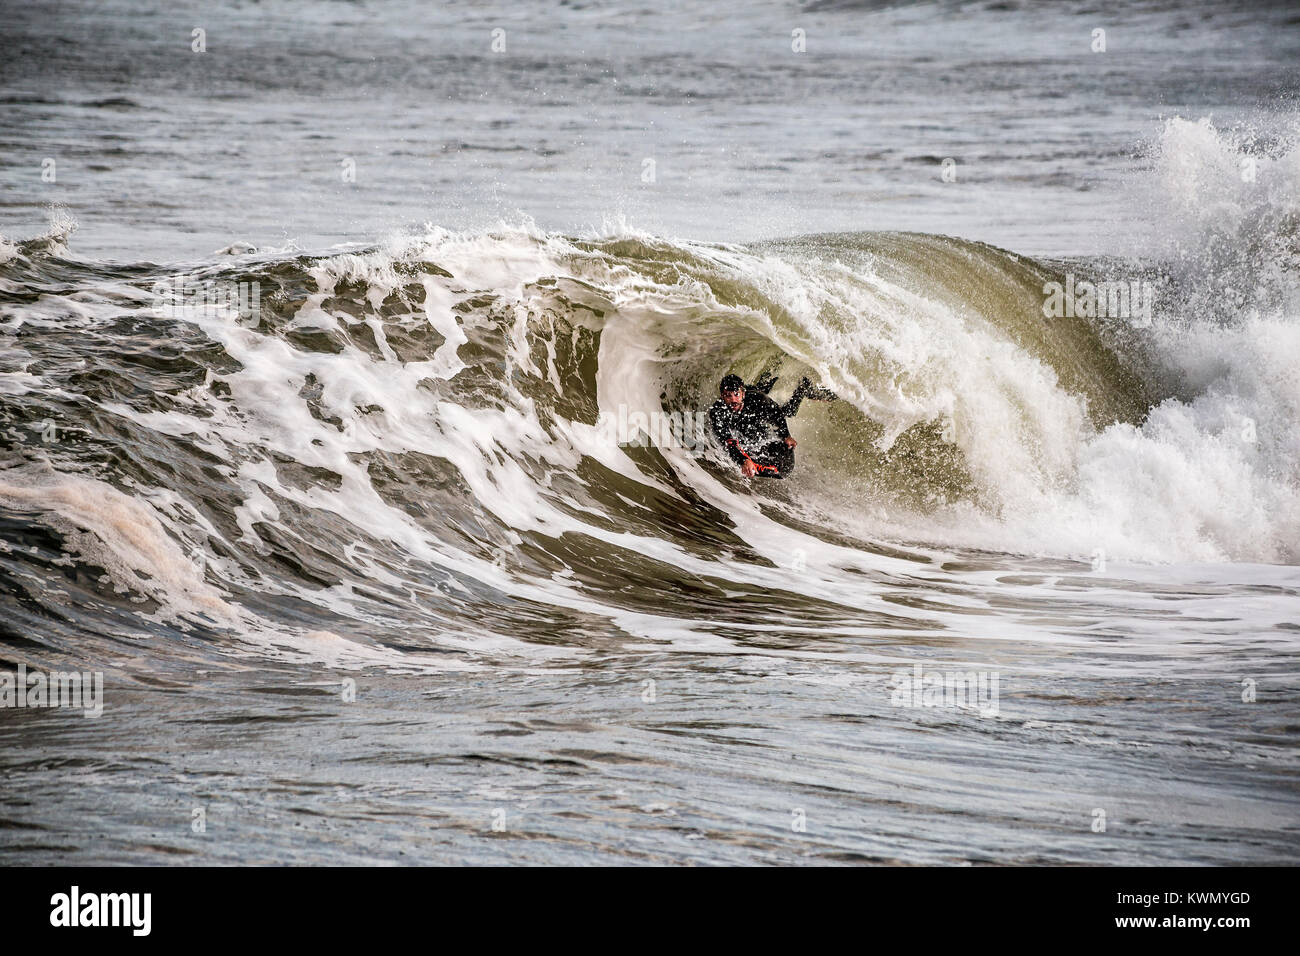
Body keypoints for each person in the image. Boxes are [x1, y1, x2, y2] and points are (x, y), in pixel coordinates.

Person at [707, 373, 837, 478]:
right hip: (752, 401)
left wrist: (786, 436)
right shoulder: (718, 411)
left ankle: (802, 389)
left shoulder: (757, 400)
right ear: (722, 396)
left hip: (759, 412)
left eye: (736, 395)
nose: (733, 400)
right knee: (761, 390)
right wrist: (743, 460)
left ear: (742, 394)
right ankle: (770, 374)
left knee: (788, 412)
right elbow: (729, 442)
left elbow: (777, 414)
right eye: (728, 396)